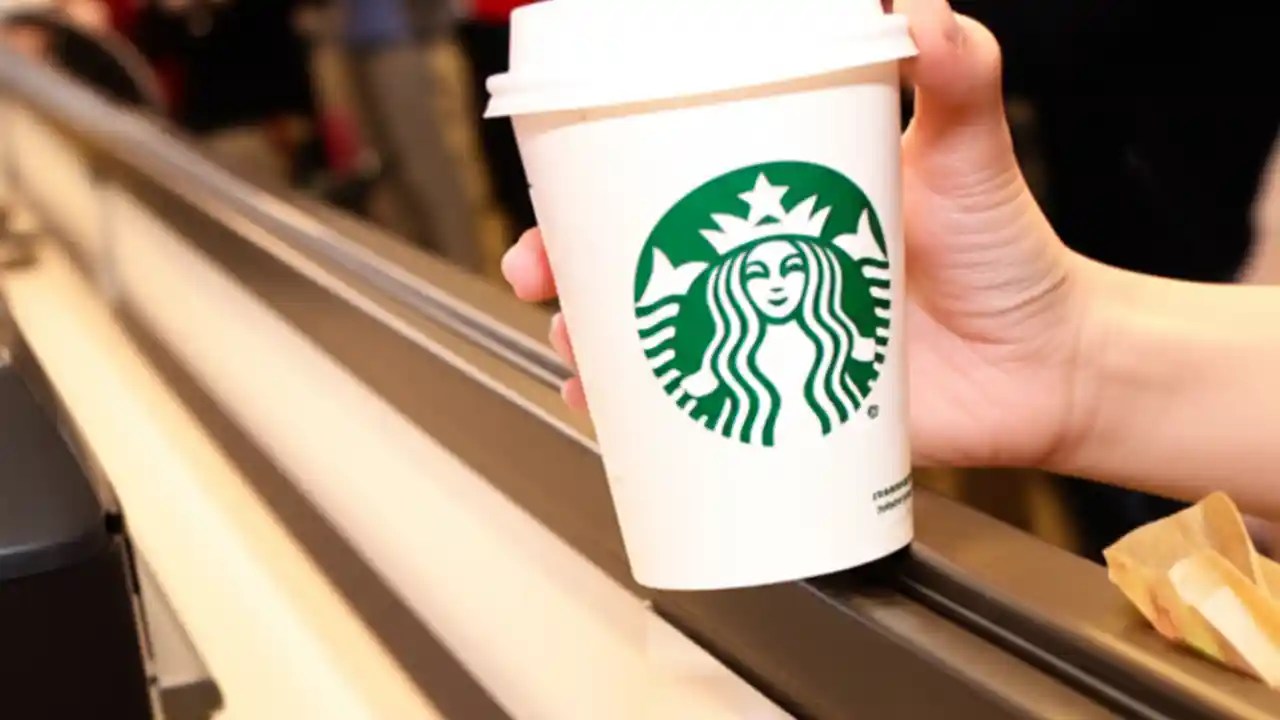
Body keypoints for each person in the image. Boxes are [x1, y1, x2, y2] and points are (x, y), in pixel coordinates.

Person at [500, 0, 1280, 521]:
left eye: (791, 268)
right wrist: (1055, 351)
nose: (774, 282)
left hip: (1179, 177)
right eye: (755, 272)